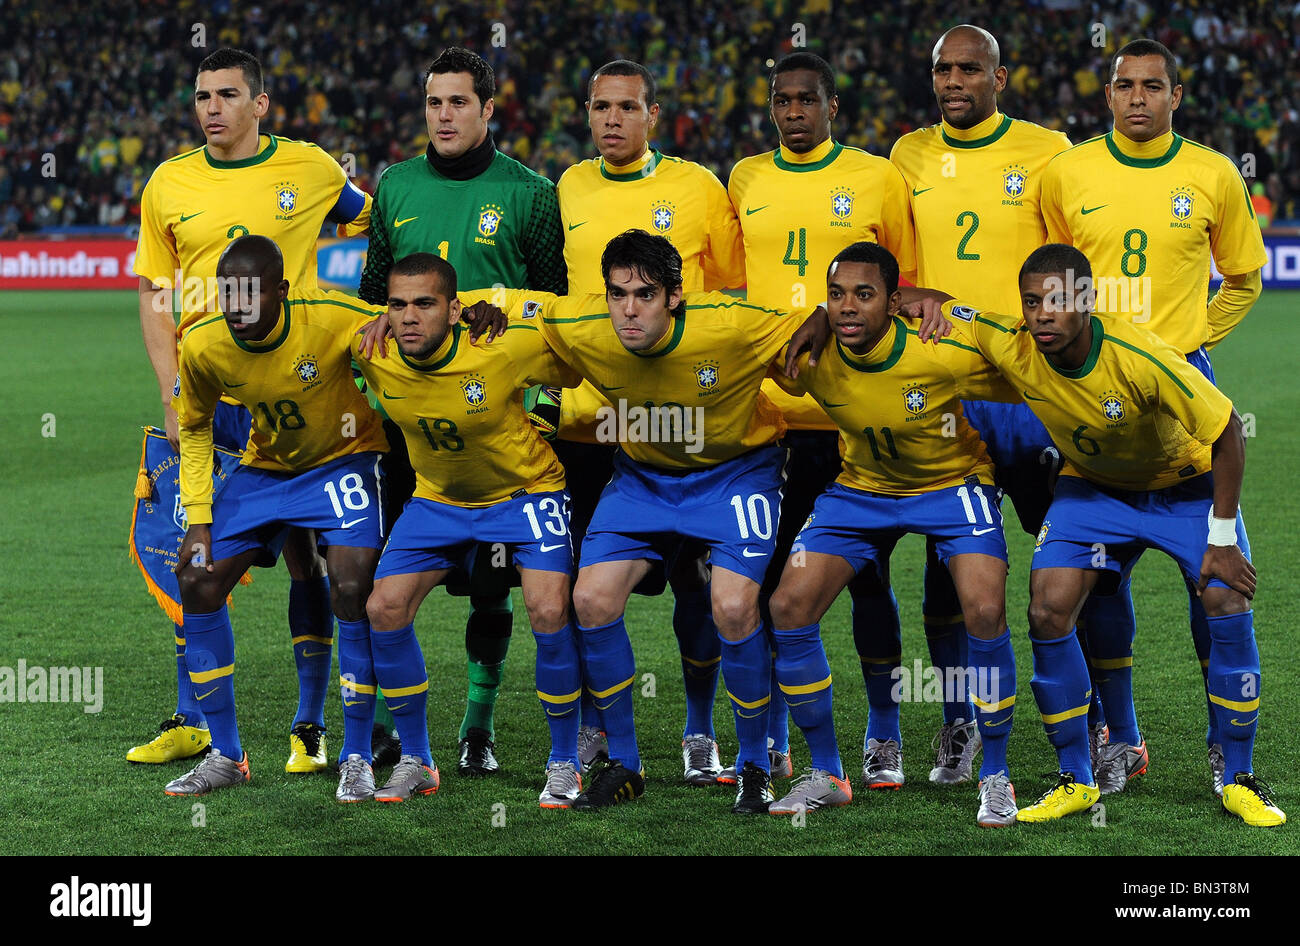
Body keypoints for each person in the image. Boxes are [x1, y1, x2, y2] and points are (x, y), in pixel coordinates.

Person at [916, 243, 1284, 827]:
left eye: (1057, 302)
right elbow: (950, 309)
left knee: (1225, 597)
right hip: (1094, 493)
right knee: (1048, 610)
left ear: (1087, 302)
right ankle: (1076, 778)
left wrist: (1220, 537)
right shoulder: (1015, 343)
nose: (1042, 315)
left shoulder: (1140, 355)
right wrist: (915, 298)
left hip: (1182, 489)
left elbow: (1229, 432)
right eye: (1032, 302)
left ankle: (1238, 775)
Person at [464, 230, 819, 814]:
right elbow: (518, 302)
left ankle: (755, 764)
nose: (629, 309)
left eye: (645, 295)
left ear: (675, 296)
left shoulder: (731, 324)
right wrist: (470, 307)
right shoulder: (584, 324)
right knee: (591, 600)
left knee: (731, 606)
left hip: (735, 473)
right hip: (643, 478)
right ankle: (625, 765)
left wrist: (833, 313)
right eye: (618, 294)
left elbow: (821, 321)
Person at [131, 47, 371, 773]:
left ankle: (308, 725)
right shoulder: (169, 182)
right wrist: (172, 387)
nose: (211, 107)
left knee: (309, 559)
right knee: (194, 552)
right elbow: (152, 291)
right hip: (205, 393)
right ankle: (195, 721)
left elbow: (374, 222)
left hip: (293, 392)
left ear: (259, 104)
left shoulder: (312, 168)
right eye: (202, 94)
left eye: (228, 94)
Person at [1039, 38, 1268, 796]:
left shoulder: (1211, 173)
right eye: (1125, 86)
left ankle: (1221, 747)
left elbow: (1243, 276)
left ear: (1175, 95)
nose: (1138, 98)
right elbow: (1049, 271)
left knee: (1212, 579)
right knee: (1099, 582)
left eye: (1153, 86)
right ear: (1108, 94)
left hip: (1179, 403)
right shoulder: (1068, 172)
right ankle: (1122, 738)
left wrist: (1194, 341)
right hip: (1094, 397)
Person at [357, 47, 567, 778]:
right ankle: (388, 731)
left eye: (457, 103)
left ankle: (478, 728)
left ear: (487, 108)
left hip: (501, 421)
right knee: (385, 579)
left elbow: (555, 310)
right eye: (433, 103)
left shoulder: (531, 194)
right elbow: (370, 296)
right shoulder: (395, 187)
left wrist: (543, 403)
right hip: (411, 420)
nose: (443, 116)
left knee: (492, 581)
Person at [770, 242, 1019, 825]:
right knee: (788, 605)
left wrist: (951, 305)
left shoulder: (941, 349)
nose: (848, 308)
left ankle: (996, 774)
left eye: (864, 295)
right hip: (861, 491)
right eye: (836, 296)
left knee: (984, 610)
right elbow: (734, 341)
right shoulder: (811, 353)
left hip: (953, 487)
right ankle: (828, 772)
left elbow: (1022, 358)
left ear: (895, 300)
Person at [889, 25, 1075, 787]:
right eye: (942, 69)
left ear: (1002, 76)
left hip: (1030, 393)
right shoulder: (905, 155)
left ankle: (1102, 724)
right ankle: (960, 723)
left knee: (1073, 558)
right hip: (946, 394)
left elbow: (1071, 263)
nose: (954, 80)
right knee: (948, 563)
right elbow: (891, 268)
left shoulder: (1049, 150)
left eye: (970, 68)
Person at [729, 51, 918, 790]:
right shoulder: (745, 178)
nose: (794, 110)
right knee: (773, 579)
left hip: (852, 416)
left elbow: (902, 284)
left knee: (867, 580)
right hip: (769, 419)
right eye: (783, 99)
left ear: (832, 106)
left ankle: (885, 731)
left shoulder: (876, 176)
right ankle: (776, 733)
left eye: (808, 98)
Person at [555, 59, 747, 785]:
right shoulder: (567, 187)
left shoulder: (699, 187)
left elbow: (731, 295)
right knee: (583, 586)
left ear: (653, 115)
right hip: (587, 425)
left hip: (678, 423)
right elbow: (557, 307)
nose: (612, 120)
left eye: (627, 108)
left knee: (697, 584)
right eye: (601, 107)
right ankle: (598, 734)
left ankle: (700, 731)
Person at [346, 253, 584, 805]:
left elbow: (571, 360)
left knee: (549, 610)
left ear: (455, 309)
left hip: (526, 493)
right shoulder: (371, 350)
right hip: (438, 501)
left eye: (425, 304)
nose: (409, 317)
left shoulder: (503, 344)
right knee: (383, 608)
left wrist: (494, 304)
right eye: (398, 305)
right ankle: (418, 760)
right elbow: (314, 333)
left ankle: (566, 761)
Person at [163, 235, 388, 795]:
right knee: (197, 576)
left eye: (251, 292)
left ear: (282, 292)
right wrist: (199, 517)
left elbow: (408, 336)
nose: (236, 305)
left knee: (353, 583)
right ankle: (226, 754)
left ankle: (357, 753)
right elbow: (192, 426)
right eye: (227, 292)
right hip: (268, 469)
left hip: (345, 460)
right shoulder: (205, 344)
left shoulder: (335, 316)